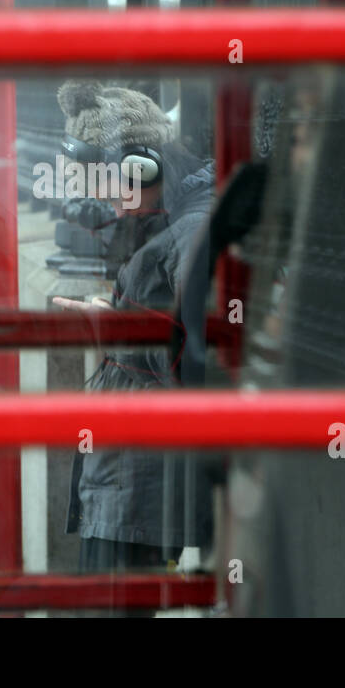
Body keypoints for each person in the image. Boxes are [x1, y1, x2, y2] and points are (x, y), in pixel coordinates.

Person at [51, 80, 216, 601]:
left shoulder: (191, 230)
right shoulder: (165, 216)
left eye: (112, 186)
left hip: (141, 479)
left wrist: (117, 330)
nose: (111, 204)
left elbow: (206, 359)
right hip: (127, 472)